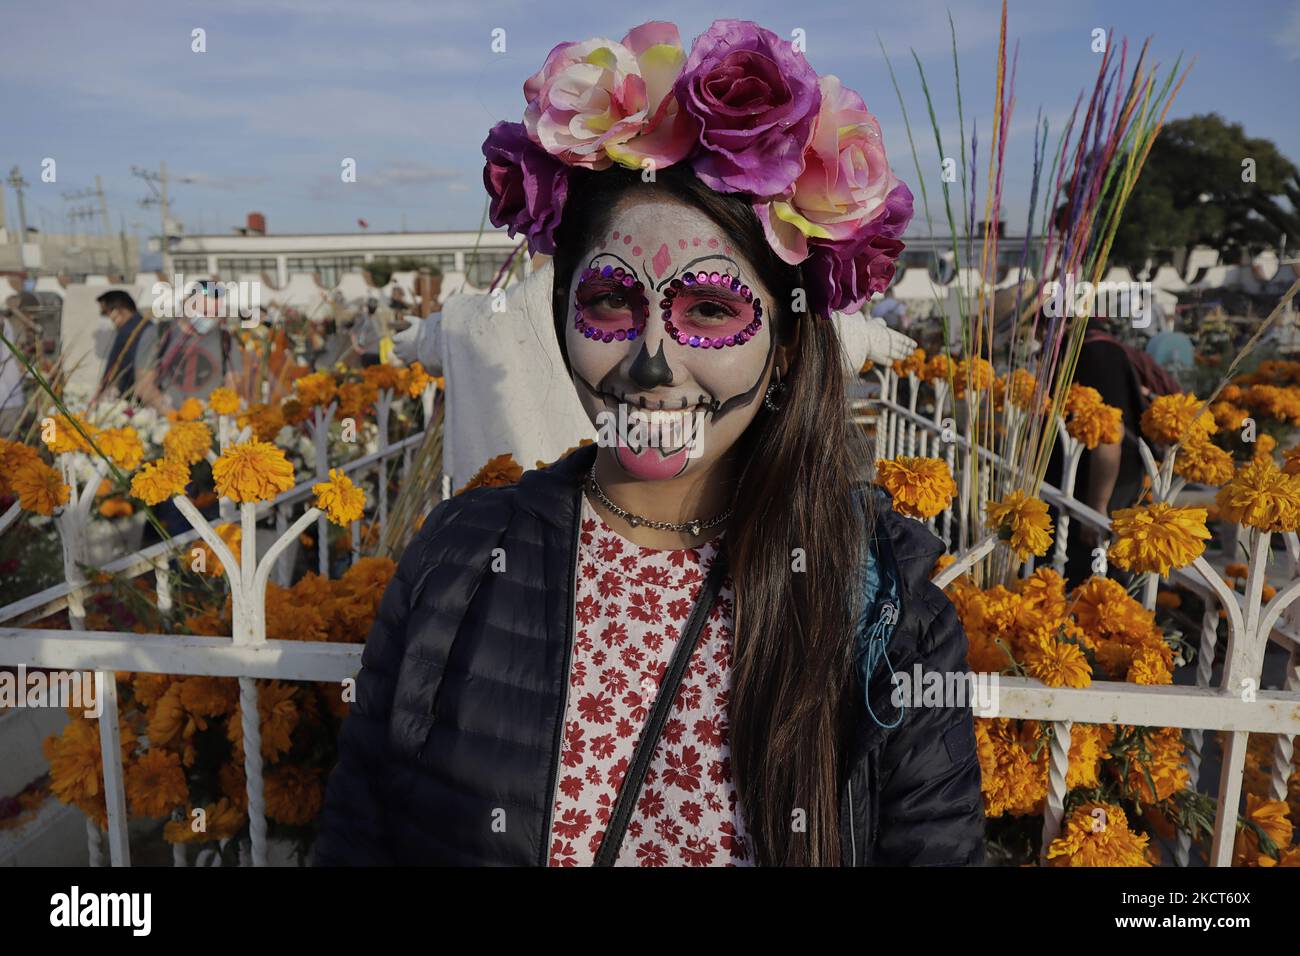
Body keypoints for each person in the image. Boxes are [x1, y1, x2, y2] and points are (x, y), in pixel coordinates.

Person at [316, 19, 983, 868]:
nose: (650, 362)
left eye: (710, 309)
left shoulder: (889, 608)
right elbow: (360, 833)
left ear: (784, 346)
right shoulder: (459, 558)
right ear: (561, 319)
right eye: (608, 302)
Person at [134, 281, 240, 414]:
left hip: (208, 424)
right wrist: (173, 416)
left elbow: (233, 384)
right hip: (164, 423)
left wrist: (215, 412)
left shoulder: (226, 339)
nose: (211, 318)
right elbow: (144, 386)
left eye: (216, 313)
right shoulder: (158, 334)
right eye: (205, 312)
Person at [95, 289, 148, 401]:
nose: (106, 318)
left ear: (120, 310)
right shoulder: (148, 326)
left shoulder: (126, 332)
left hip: (132, 399)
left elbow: (110, 372)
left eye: (105, 313)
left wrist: (98, 397)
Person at [0, 293, 40, 435]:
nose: (31, 320)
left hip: (10, 400)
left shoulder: (10, 331)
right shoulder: (6, 326)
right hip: (7, 400)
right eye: (30, 315)